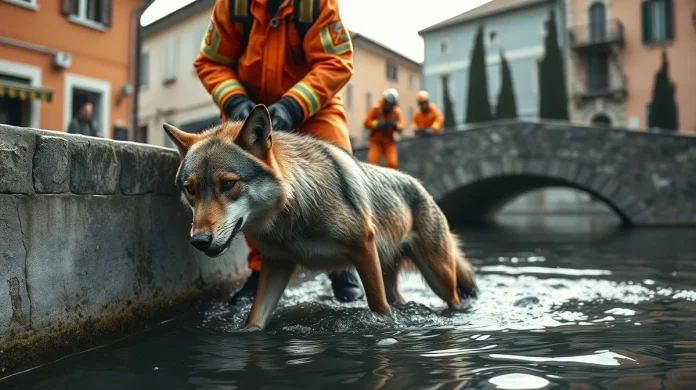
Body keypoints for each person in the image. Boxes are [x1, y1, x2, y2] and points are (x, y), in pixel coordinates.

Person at [194, 0, 364, 304]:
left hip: (313, 108)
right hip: (248, 113)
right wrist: (234, 102)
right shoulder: (232, 6)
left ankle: (342, 268)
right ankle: (261, 270)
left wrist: (291, 106)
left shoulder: (317, 4)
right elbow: (211, 62)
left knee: (338, 176)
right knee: (243, 185)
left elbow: (336, 61)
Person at [363, 88, 404, 169]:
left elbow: (401, 126)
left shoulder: (395, 112)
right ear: (384, 101)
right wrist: (377, 124)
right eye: (388, 103)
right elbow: (366, 123)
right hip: (375, 141)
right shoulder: (375, 109)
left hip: (389, 142)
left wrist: (395, 125)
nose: (389, 106)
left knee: (392, 164)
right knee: (372, 164)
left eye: (391, 105)